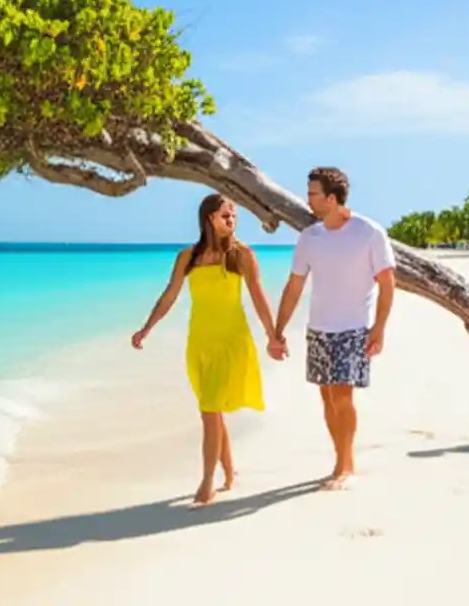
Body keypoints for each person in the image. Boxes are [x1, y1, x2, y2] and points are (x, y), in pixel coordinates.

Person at [132, 193, 281, 506]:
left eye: (234, 216)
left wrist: (273, 336)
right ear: (209, 218)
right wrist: (147, 327)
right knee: (213, 410)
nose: (232, 220)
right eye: (226, 215)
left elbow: (258, 297)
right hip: (199, 342)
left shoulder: (242, 255)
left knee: (210, 410)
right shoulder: (188, 257)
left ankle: (207, 482)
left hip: (231, 341)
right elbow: (170, 295)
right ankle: (229, 473)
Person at [270, 167, 396, 491]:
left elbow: (387, 284)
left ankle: (345, 464)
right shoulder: (309, 238)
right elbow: (294, 286)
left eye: (312, 194)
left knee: (342, 396)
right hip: (319, 329)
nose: (307, 200)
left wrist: (379, 329)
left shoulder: (369, 232)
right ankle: (340, 457)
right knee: (327, 399)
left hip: (354, 329)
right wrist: (278, 329)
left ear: (331, 198)